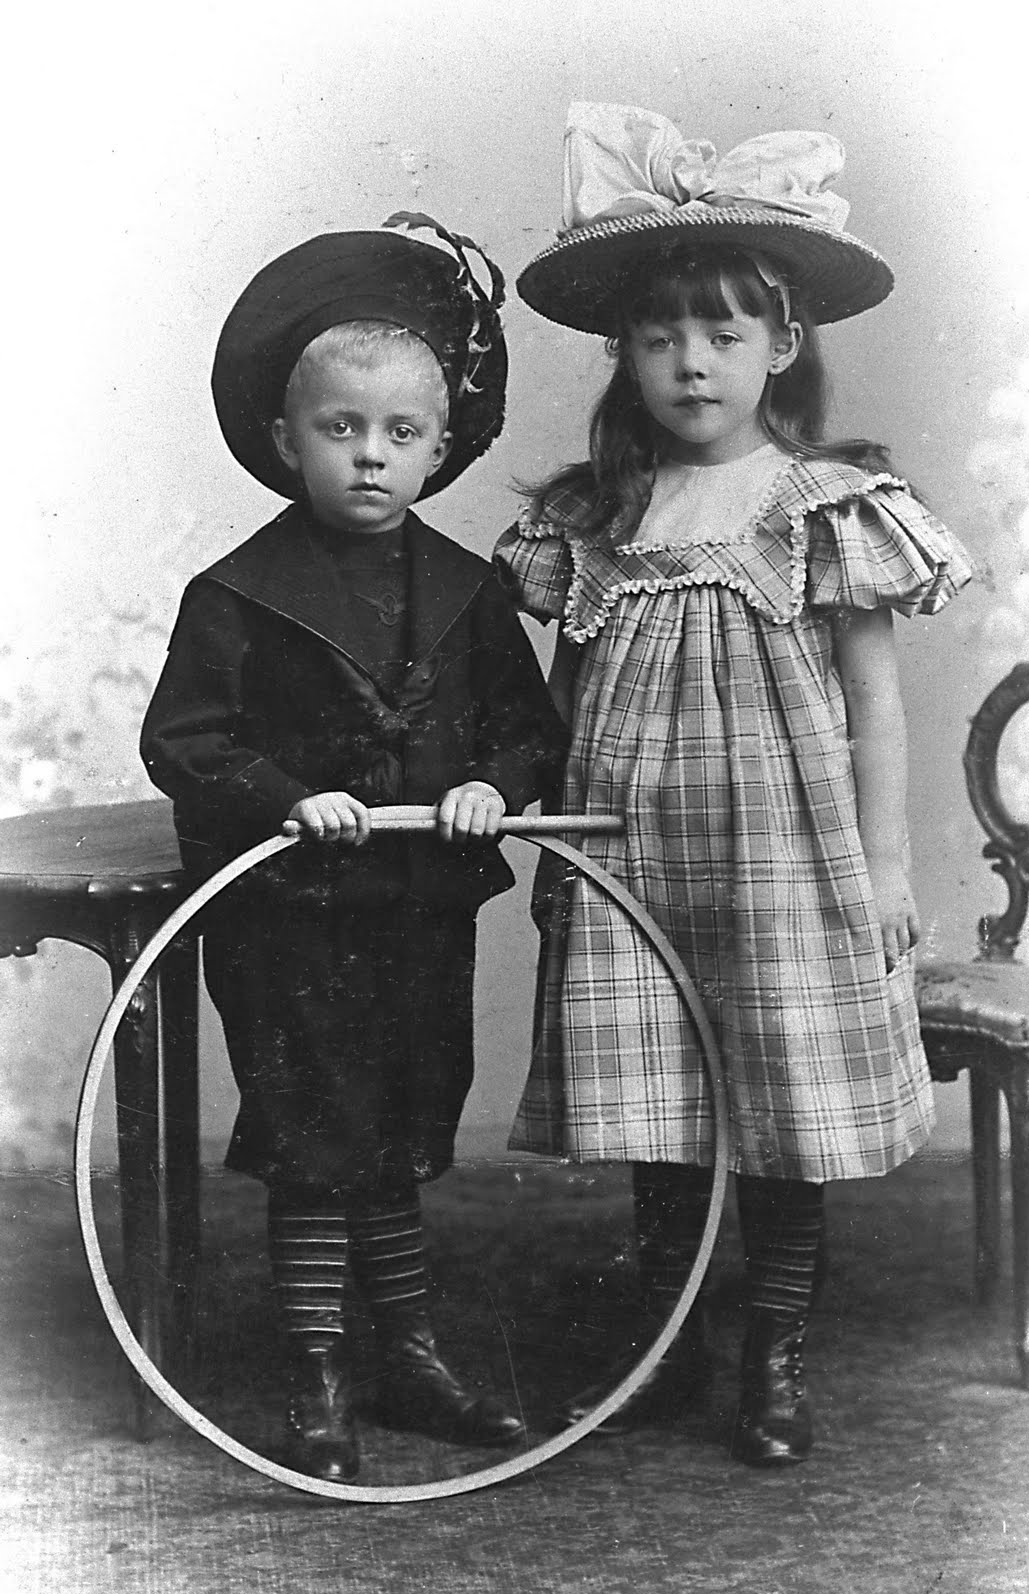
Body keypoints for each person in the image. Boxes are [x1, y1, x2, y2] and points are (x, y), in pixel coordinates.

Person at [495, 103, 972, 1467]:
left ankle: (771, 1356)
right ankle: (666, 1345)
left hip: (783, 858)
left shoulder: (822, 503)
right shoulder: (599, 515)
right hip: (635, 853)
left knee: (780, 1107)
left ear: (782, 344)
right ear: (622, 355)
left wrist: (884, 869)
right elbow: (569, 697)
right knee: (658, 1102)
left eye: (719, 335)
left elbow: (872, 706)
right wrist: (559, 849)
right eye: (658, 337)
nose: (690, 363)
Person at [141, 220, 565, 1482]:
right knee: (314, 1140)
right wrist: (286, 798)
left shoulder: (470, 592)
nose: (368, 454)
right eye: (339, 428)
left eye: (398, 432)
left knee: (397, 1131)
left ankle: (409, 1353)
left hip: (415, 907)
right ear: (287, 440)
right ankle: (318, 1367)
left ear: (439, 446)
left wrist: (491, 785)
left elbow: (527, 731)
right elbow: (185, 740)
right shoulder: (233, 595)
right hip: (290, 915)